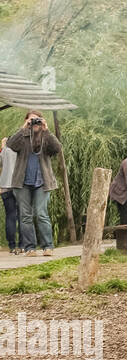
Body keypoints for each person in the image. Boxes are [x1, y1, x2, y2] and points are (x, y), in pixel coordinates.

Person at [7, 110, 62, 257]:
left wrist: (47, 130)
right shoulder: (23, 136)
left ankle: (48, 246)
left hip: (42, 182)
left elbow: (57, 148)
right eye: (31, 120)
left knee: (41, 213)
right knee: (25, 216)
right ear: (26, 121)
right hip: (22, 182)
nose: (34, 123)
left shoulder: (46, 136)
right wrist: (24, 127)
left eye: (37, 120)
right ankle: (30, 248)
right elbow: (10, 144)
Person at [1, 138, 25, 255]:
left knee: (10, 216)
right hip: (20, 185)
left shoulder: (5, 150)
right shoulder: (22, 148)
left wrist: (3, 147)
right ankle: (22, 245)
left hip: (5, 186)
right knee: (22, 216)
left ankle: (11, 246)